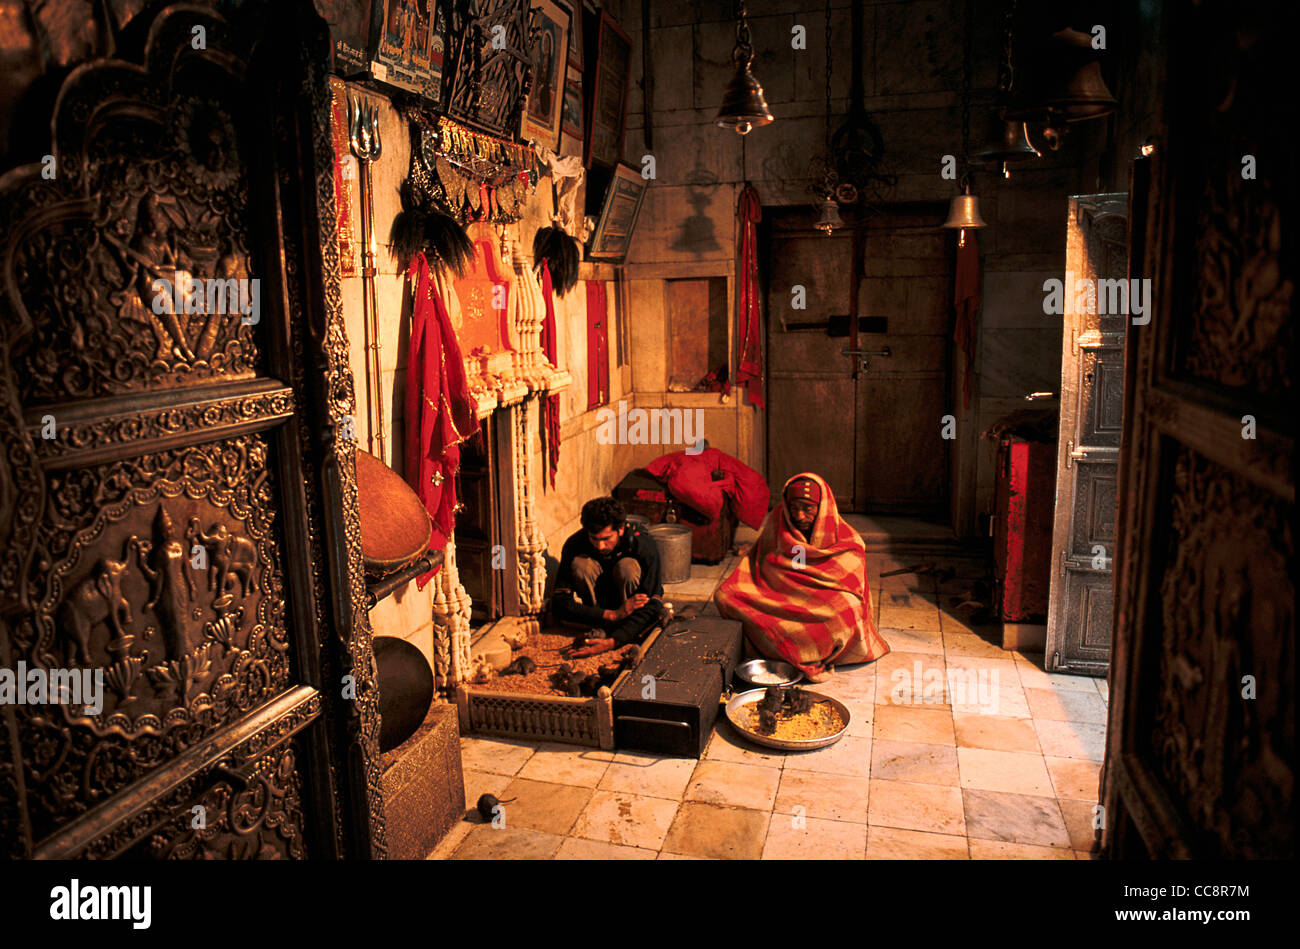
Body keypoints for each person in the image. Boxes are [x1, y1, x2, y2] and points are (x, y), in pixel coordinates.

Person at [714, 472, 889, 681]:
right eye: (794, 508)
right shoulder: (778, 524)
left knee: (847, 610)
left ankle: (791, 648)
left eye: (808, 509)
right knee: (725, 595)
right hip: (777, 596)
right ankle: (788, 644)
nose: (799, 516)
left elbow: (852, 586)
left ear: (822, 507)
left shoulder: (848, 540)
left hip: (820, 601)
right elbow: (760, 562)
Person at [552, 497, 664, 657]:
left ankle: (622, 629)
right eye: (594, 539)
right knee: (581, 565)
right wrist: (611, 615)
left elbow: (653, 605)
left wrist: (613, 642)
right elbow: (559, 603)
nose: (600, 546)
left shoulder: (643, 545)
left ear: (621, 530)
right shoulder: (575, 544)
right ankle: (603, 626)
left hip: (631, 610)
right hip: (600, 613)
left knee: (628, 567)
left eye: (606, 539)